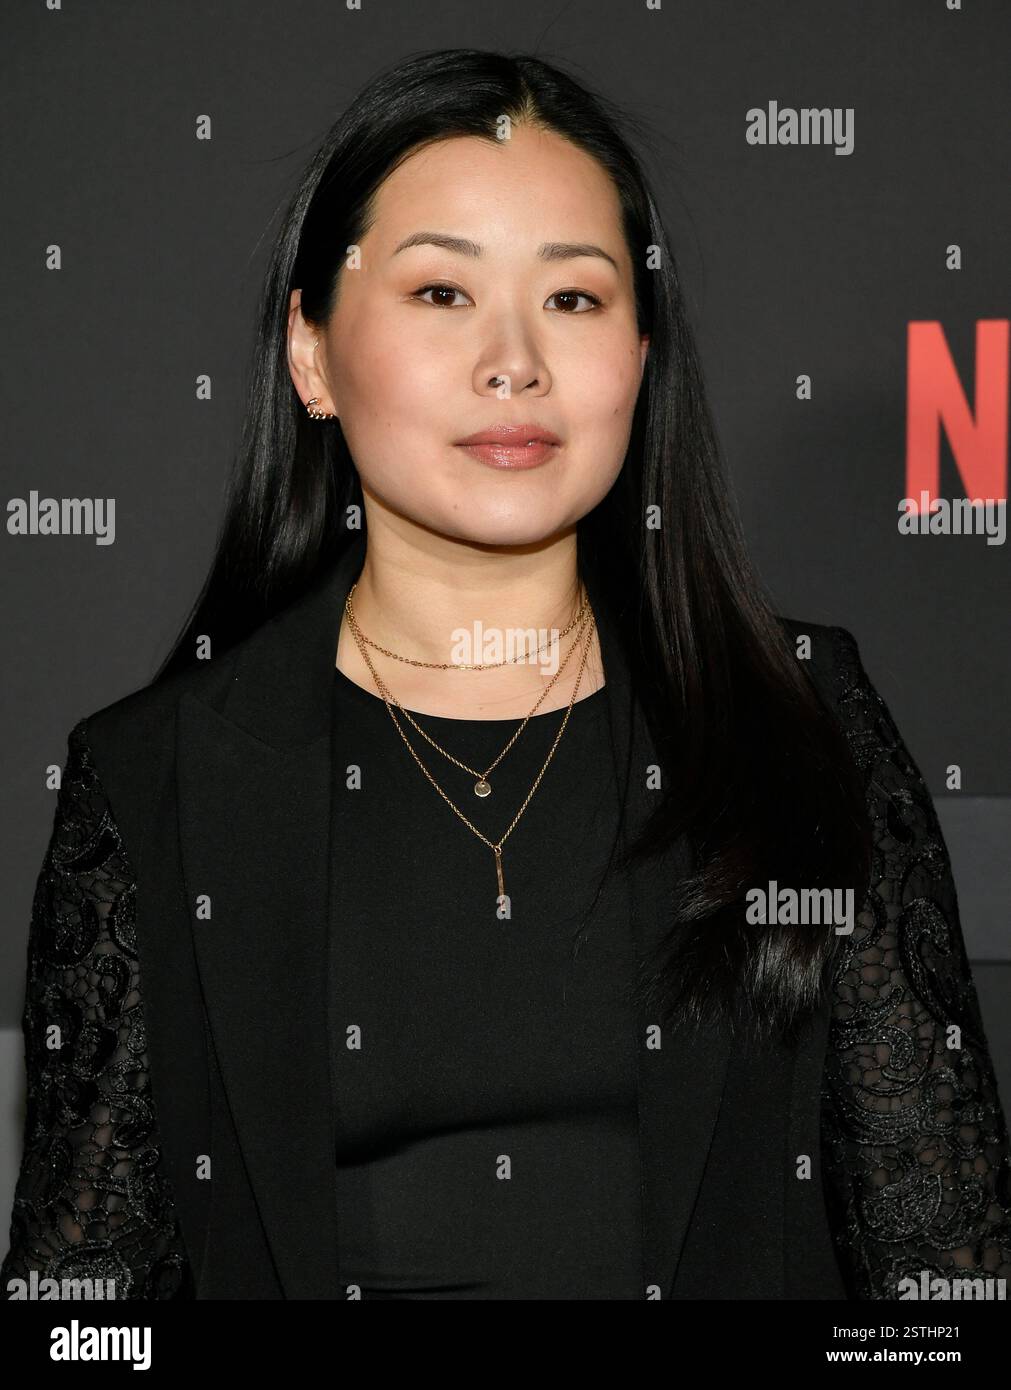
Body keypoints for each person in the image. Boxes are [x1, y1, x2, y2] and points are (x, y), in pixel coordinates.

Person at [3, 48, 1009, 1302]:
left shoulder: (801, 715)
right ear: (311, 355)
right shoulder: (158, 780)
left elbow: (948, 1273)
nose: (514, 362)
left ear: (641, 356)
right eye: (440, 293)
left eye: (575, 299)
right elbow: (76, 1314)